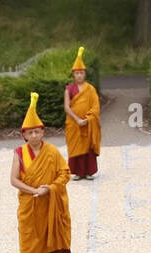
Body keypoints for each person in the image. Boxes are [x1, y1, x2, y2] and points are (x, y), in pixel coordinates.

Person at [10, 92, 72, 253]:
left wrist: (50, 188)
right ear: (24, 135)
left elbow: (65, 173)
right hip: (31, 202)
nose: (34, 135)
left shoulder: (52, 151)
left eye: (37, 131)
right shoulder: (19, 153)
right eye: (30, 132)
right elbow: (13, 179)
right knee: (34, 236)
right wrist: (33, 190)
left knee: (52, 234)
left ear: (43, 132)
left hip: (51, 202)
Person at [63, 47, 101, 180]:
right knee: (76, 146)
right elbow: (67, 107)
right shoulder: (69, 89)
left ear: (85, 74)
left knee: (88, 147)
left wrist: (89, 118)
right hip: (74, 124)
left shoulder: (90, 89)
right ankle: (78, 172)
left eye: (81, 73)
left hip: (88, 123)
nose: (79, 75)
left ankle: (89, 172)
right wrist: (77, 119)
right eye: (77, 73)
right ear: (73, 74)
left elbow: (96, 105)